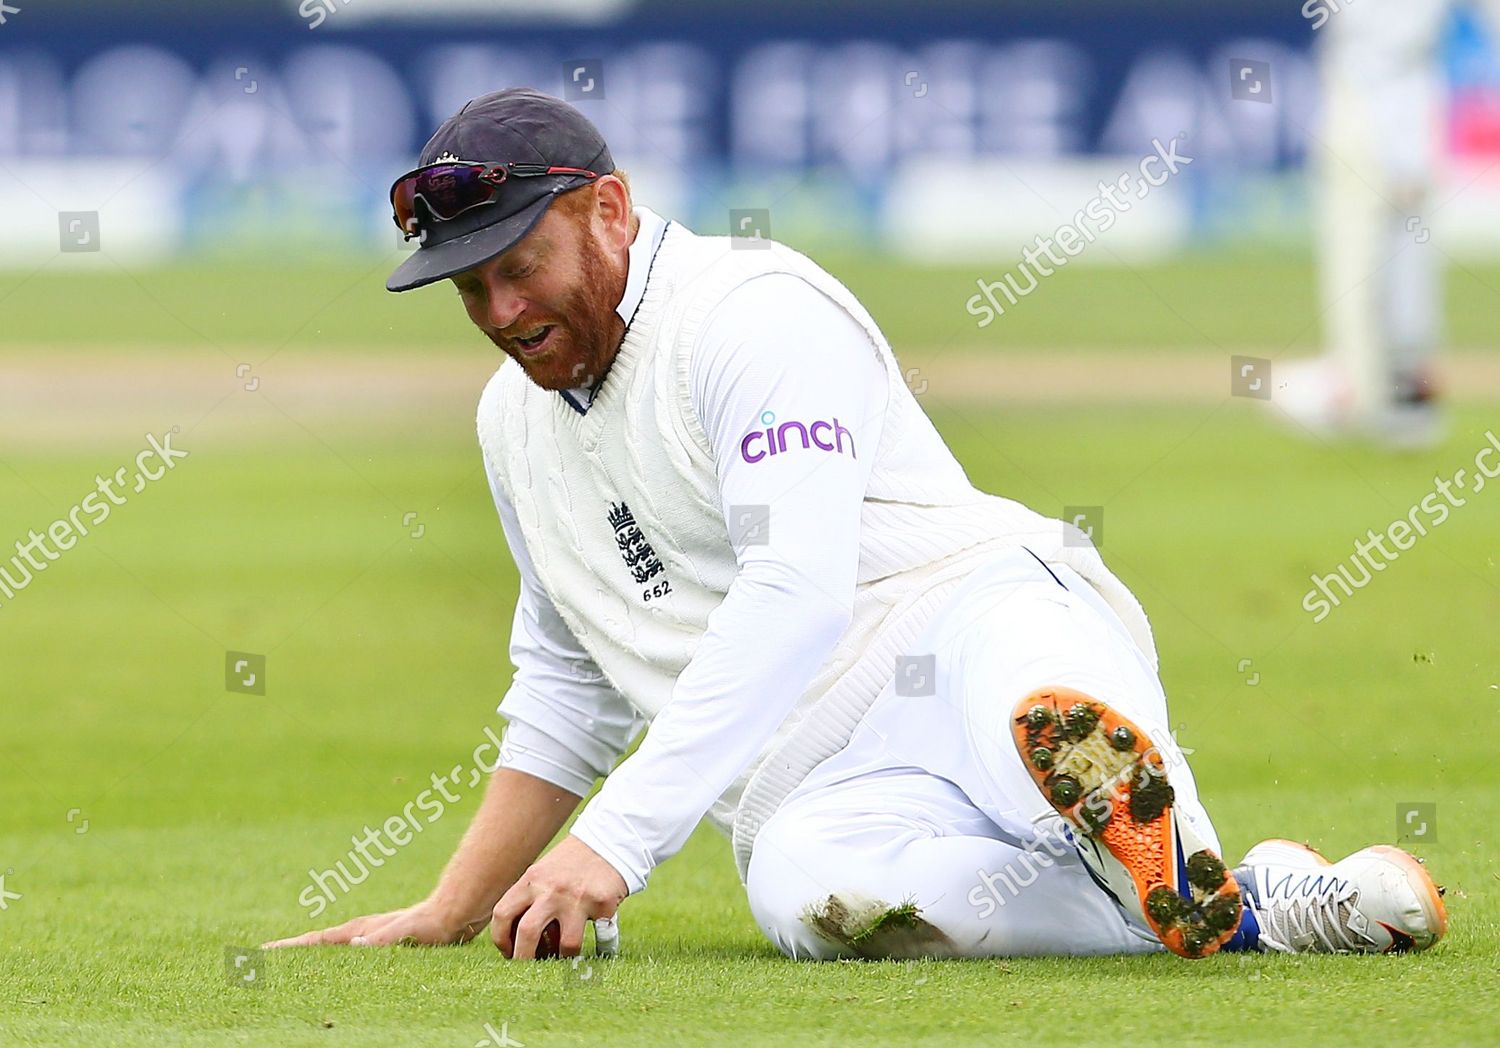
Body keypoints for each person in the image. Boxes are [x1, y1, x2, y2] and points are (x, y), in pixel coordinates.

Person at [265, 88, 1446, 961]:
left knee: (1034, 714)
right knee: (811, 903)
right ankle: (1252, 904)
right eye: (470, 288)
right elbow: (568, 687)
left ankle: (1155, 834)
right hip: (813, 777)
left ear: (611, 213)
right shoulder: (510, 427)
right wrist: (452, 908)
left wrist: (612, 844)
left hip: (972, 615)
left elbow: (798, 590)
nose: (501, 310)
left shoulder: (750, 314)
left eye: (519, 263)